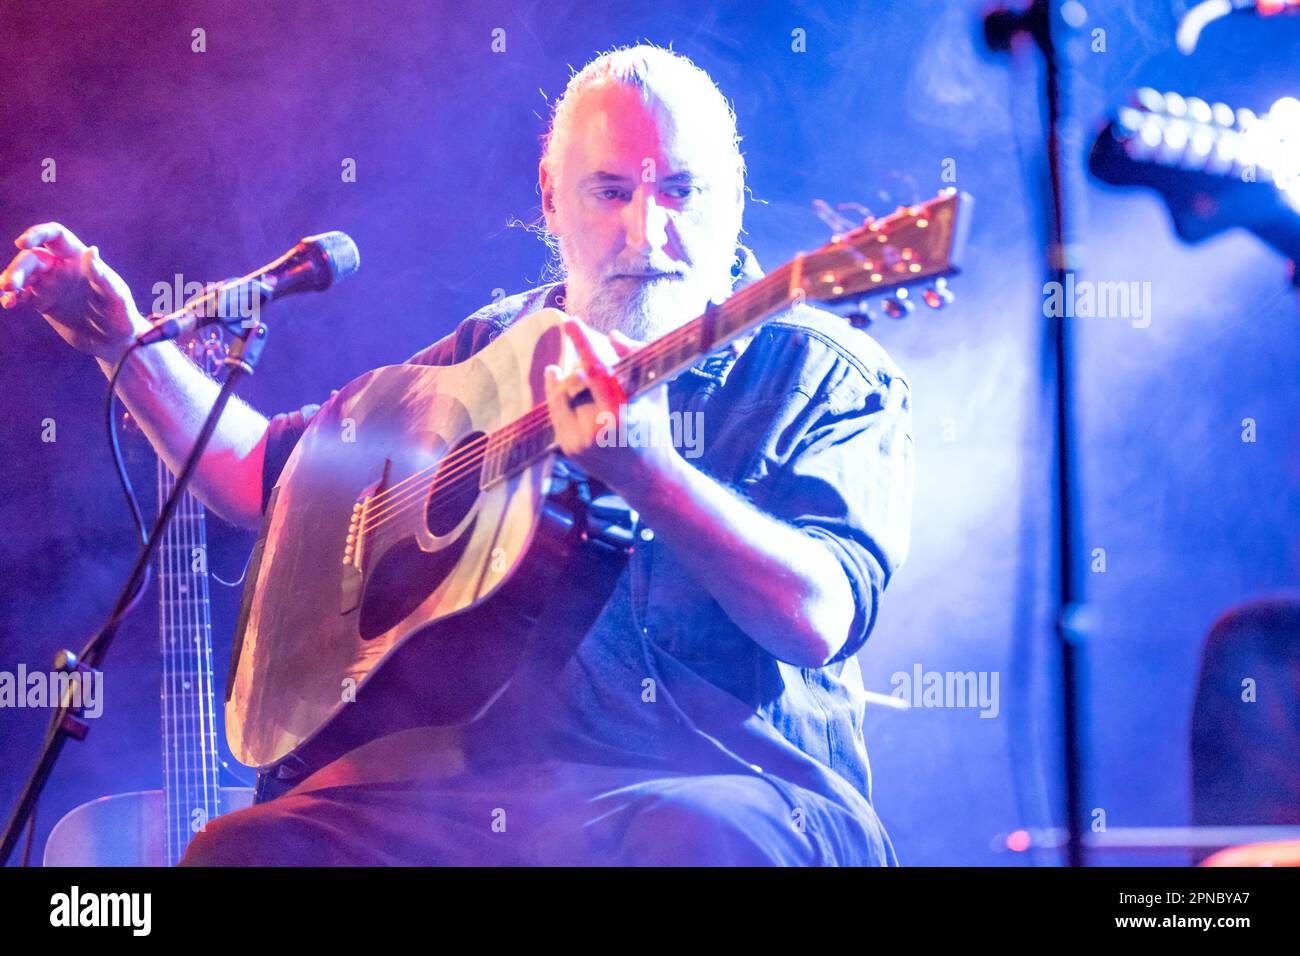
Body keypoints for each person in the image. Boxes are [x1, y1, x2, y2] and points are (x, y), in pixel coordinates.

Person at [1, 44, 914, 865]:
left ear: (734, 199)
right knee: (247, 849)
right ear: (552, 200)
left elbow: (819, 614)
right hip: (503, 800)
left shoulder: (815, 367)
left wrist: (650, 472)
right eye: (611, 192)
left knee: (691, 842)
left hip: (749, 791)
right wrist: (120, 343)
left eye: (681, 190)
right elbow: (266, 477)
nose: (649, 232)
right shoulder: (495, 345)